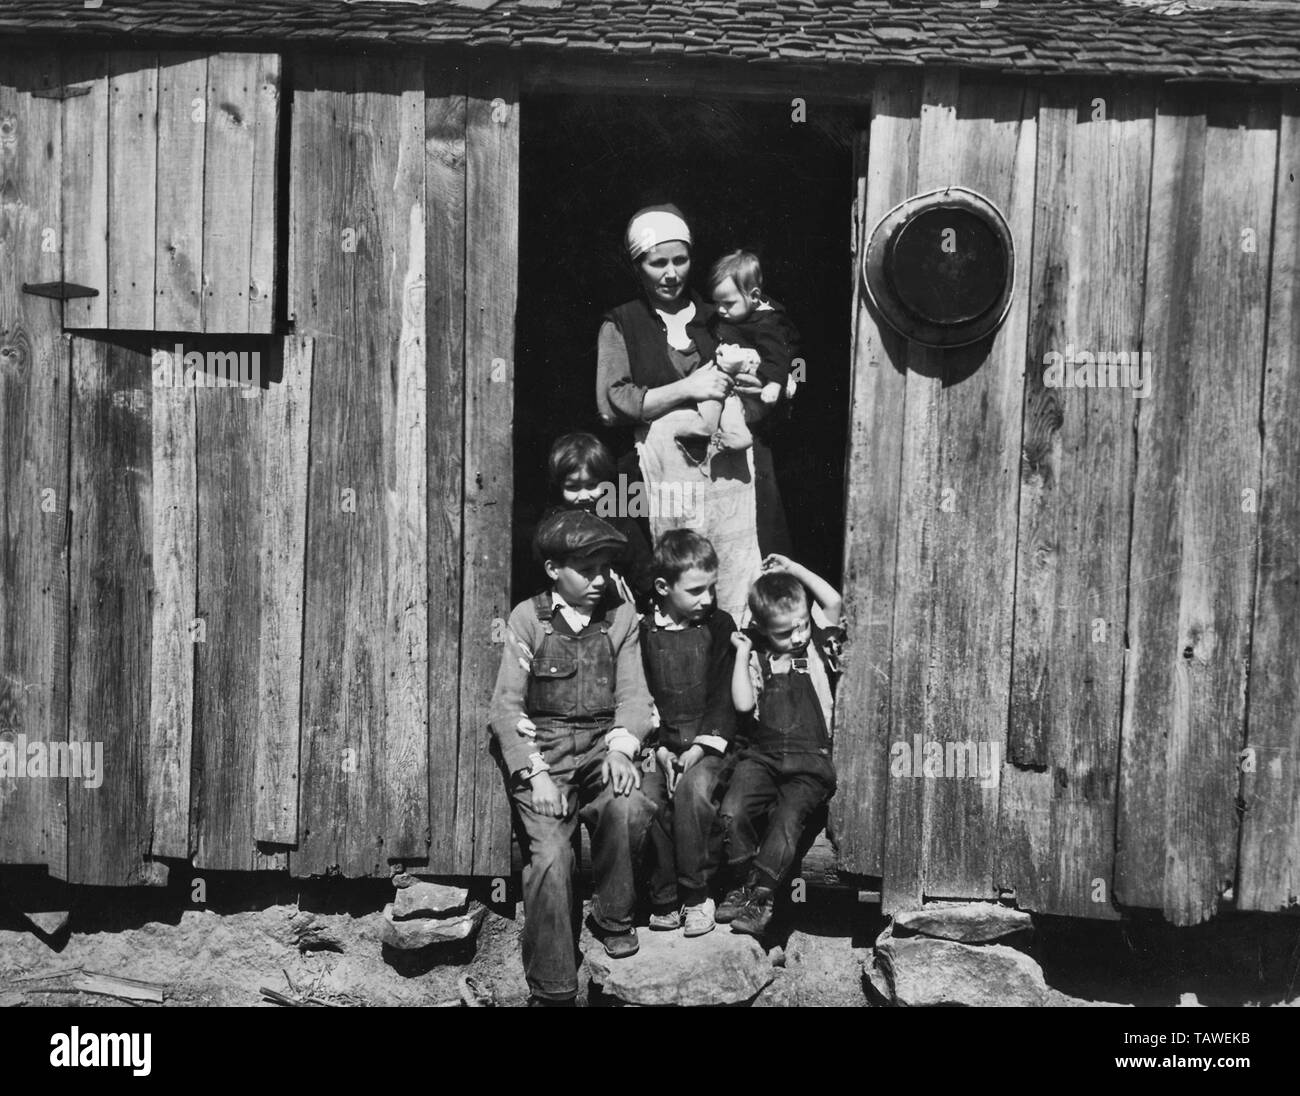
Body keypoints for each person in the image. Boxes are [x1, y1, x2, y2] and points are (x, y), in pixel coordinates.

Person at [488, 509, 657, 1005]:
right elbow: (505, 709)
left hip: (603, 744)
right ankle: (554, 985)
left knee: (630, 805)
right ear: (553, 570)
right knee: (552, 860)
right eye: (587, 569)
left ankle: (613, 917)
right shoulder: (528, 618)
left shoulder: (621, 617)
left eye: (605, 568)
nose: (599, 580)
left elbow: (634, 696)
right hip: (546, 752)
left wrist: (624, 747)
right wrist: (535, 775)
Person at [596, 203, 791, 621]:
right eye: (657, 263)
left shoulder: (721, 314)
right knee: (674, 584)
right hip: (662, 483)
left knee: (746, 585)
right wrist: (688, 387)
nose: (671, 273)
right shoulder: (622, 323)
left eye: (680, 260)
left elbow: (782, 363)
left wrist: (768, 386)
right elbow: (613, 404)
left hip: (732, 479)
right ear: (637, 266)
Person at [717, 553, 845, 938]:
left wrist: (793, 570)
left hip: (810, 761)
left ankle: (763, 895)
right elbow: (743, 704)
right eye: (785, 632)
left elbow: (834, 601)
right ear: (760, 627)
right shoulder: (757, 655)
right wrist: (742, 655)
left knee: (787, 821)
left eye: (802, 625)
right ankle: (741, 883)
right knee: (732, 810)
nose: (798, 636)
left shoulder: (819, 647)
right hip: (764, 756)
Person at [638, 530, 738, 937]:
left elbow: (724, 695)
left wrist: (701, 746)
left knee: (693, 792)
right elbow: (641, 694)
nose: (707, 599)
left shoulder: (720, 625)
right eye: (696, 590)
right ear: (663, 587)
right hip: (664, 743)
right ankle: (664, 898)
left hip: (712, 745)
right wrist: (659, 749)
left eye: (712, 588)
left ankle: (697, 894)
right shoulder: (644, 630)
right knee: (647, 795)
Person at [538, 432, 655, 607]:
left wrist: (648, 595)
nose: (584, 496)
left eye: (592, 485)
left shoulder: (617, 518)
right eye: (572, 488)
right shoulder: (554, 521)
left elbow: (640, 562)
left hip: (613, 599)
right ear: (559, 486)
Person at [704, 249, 803, 453]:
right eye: (717, 302)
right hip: (738, 386)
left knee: (730, 405)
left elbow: (779, 356)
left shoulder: (766, 324)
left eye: (729, 303)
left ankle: (738, 434)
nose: (721, 309)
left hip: (761, 397)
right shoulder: (727, 317)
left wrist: (774, 385)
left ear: (754, 296)